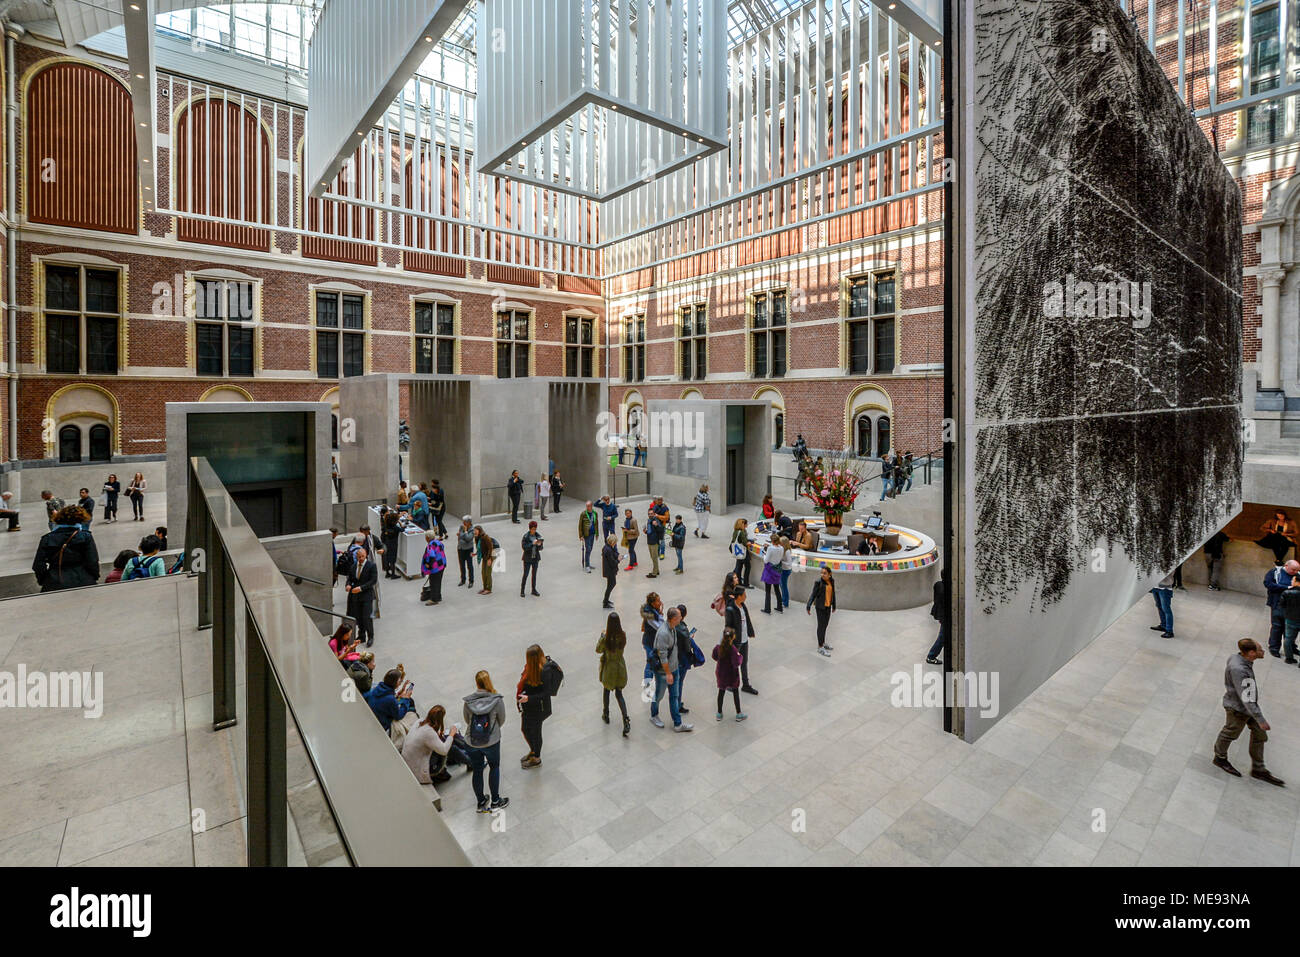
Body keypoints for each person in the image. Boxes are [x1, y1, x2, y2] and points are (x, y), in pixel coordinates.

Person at [1212, 639, 1284, 785]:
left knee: (1260, 735)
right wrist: (1261, 719)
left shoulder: (1237, 658)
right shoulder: (1240, 670)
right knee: (1230, 732)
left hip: (1247, 708)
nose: (1263, 651)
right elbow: (1248, 698)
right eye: (1259, 649)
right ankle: (1220, 758)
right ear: (1251, 653)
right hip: (1238, 709)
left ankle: (1258, 769)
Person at [463, 671, 509, 812]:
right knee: (494, 767)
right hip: (491, 742)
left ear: (476, 683)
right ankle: (495, 801)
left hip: (471, 742)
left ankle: (481, 802)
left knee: (477, 770)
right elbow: (502, 720)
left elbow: (466, 720)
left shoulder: (468, 702)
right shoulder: (497, 700)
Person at [33, 505, 99, 591]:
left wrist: (45, 580)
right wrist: (93, 577)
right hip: (83, 579)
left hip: (54, 581)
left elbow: (38, 564)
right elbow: (92, 560)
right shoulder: (85, 536)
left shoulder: (47, 538)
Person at [650, 606, 692, 732]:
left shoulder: (673, 628)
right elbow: (662, 657)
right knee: (659, 694)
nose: (681, 619)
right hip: (664, 672)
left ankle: (677, 724)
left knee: (674, 696)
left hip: (674, 668)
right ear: (673, 619)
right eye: (679, 617)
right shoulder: (663, 633)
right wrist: (668, 673)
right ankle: (654, 715)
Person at [403, 705, 468, 786]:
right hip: (421, 770)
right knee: (451, 747)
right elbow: (444, 750)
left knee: (448, 738)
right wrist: (451, 734)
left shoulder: (419, 722)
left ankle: (466, 751)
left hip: (413, 762)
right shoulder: (428, 732)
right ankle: (471, 762)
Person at [516, 645, 553, 769]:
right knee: (525, 729)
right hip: (528, 707)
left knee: (536, 733)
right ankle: (533, 750)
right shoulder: (530, 668)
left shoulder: (544, 671)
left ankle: (536, 758)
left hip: (538, 708)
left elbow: (546, 693)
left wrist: (529, 698)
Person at [597, 612, 631, 735]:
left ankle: (606, 713)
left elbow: (598, 650)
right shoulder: (623, 635)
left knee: (606, 690)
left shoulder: (606, 638)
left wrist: (602, 636)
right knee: (619, 694)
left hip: (609, 668)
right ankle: (626, 719)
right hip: (620, 666)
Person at [725, 586, 758, 695]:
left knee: (744, 662)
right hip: (736, 641)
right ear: (738, 596)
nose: (746, 597)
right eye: (744, 595)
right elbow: (728, 627)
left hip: (744, 640)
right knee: (733, 663)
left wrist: (750, 632)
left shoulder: (743, 605)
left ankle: (746, 685)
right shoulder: (730, 609)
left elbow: (747, 619)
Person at [1265, 560, 1300, 657]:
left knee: (1290, 629)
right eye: (1293, 570)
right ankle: (1274, 648)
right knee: (1277, 627)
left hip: (1292, 607)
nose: (1295, 572)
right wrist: (1287, 588)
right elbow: (1268, 584)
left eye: (1297, 570)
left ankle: (1290, 647)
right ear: (1286, 566)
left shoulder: (1297, 574)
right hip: (1277, 604)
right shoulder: (1275, 573)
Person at [346, 546, 379, 646]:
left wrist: (361, 588)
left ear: (366, 556)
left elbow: (373, 580)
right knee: (358, 616)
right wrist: (347, 584)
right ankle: (362, 635)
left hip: (366, 596)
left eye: (362, 556)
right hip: (356, 596)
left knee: (366, 617)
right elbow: (350, 578)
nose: (360, 558)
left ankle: (371, 636)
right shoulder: (354, 565)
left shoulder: (371, 566)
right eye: (359, 557)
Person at [365, 669, 415, 733]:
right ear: (395, 682)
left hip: (372, 716)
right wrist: (406, 699)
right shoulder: (391, 699)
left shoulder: (377, 687)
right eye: (400, 681)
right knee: (410, 705)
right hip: (382, 724)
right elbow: (398, 715)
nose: (400, 683)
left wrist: (397, 695)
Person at [713, 627, 747, 722]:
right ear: (733, 637)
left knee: (721, 691)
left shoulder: (718, 647)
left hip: (721, 673)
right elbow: (736, 663)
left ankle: (719, 713)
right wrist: (740, 657)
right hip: (732, 675)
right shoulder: (733, 649)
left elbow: (714, 656)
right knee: (735, 693)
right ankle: (738, 713)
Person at [806, 567, 837, 657]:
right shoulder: (818, 582)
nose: (822, 575)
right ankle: (820, 647)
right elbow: (813, 594)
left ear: (829, 574)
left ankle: (823, 643)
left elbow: (833, 594)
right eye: (821, 573)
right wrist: (808, 605)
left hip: (828, 607)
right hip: (820, 607)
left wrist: (834, 605)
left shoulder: (832, 581)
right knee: (821, 626)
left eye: (824, 573)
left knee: (825, 625)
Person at [674, 604, 696, 714]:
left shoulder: (672, 624)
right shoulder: (683, 629)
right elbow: (687, 648)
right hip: (681, 659)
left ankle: (676, 703)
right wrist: (689, 638)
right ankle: (677, 705)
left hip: (674, 657)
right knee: (679, 683)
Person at [640, 592, 665, 686]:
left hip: (653, 641)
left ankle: (652, 679)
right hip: (650, 642)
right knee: (650, 662)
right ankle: (647, 682)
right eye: (658, 601)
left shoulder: (653, 611)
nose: (660, 602)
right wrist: (661, 615)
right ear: (652, 603)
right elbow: (660, 626)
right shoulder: (650, 615)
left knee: (653, 661)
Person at [926, 569, 949, 665]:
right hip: (945, 616)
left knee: (943, 635)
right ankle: (931, 656)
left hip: (939, 614)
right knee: (942, 637)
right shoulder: (946, 590)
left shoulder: (938, 584)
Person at [419, 530, 447, 605]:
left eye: (425, 537)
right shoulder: (438, 542)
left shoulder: (430, 545)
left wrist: (428, 564)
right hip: (442, 564)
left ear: (428, 538)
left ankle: (434, 599)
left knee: (433, 582)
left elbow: (431, 556)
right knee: (438, 581)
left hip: (436, 567)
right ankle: (438, 596)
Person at [760, 535, 785, 614]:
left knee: (768, 591)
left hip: (769, 570)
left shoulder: (770, 548)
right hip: (777, 570)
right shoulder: (781, 548)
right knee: (777, 589)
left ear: (772, 541)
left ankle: (767, 609)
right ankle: (780, 607)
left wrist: (764, 553)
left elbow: (766, 560)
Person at [520, 520, 543, 597]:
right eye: (532, 529)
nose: (534, 530)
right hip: (527, 558)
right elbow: (524, 547)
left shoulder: (538, 536)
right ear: (530, 529)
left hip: (535, 558)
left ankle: (533, 589)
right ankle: (522, 590)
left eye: (535, 529)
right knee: (526, 574)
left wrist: (539, 545)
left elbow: (541, 548)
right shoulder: (526, 536)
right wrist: (531, 544)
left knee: (534, 575)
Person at [1281, 572, 1300, 664]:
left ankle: (1289, 658)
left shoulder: (1287, 592)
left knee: (1288, 638)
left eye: (1293, 580)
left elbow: (1282, 605)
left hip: (1290, 619)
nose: (1291, 581)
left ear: (1297, 582)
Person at [1150, 570, 1175, 639]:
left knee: (1166, 609)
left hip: (1165, 587)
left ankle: (1169, 631)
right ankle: (1163, 625)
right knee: (1159, 606)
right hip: (1155, 586)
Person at [579, 501, 600, 573]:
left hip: (592, 534)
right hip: (586, 535)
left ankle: (588, 563)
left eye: (588, 506)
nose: (587, 507)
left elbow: (596, 523)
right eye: (586, 506)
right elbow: (580, 525)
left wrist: (597, 534)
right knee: (588, 549)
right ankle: (587, 565)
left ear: (591, 506)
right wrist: (581, 535)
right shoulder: (583, 514)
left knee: (590, 549)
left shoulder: (595, 513)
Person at [731, 518, 752, 588]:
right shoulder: (742, 532)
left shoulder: (735, 531)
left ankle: (739, 581)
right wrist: (749, 543)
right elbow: (745, 543)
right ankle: (746, 583)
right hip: (743, 553)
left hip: (737, 553)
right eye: (746, 524)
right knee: (748, 567)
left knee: (739, 567)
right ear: (743, 524)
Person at [380, 510, 402, 579]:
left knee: (387, 558)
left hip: (386, 543)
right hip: (393, 545)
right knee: (393, 560)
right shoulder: (396, 528)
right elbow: (402, 529)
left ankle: (387, 573)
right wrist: (400, 523)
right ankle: (393, 574)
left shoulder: (385, 526)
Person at [475, 526, 496, 596]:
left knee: (488, 573)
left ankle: (489, 589)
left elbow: (491, 548)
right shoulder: (477, 538)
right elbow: (479, 548)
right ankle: (484, 588)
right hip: (484, 557)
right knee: (483, 573)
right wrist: (475, 554)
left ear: (480, 531)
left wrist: (490, 559)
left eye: (476, 530)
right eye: (474, 530)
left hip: (489, 556)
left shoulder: (485, 537)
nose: (475, 532)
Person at [456, 516, 476, 588]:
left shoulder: (472, 529)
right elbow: (459, 537)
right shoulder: (461, 527)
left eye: (464, 522)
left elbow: (468, 538)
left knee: (469, 565)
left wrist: (464, 532)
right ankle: (463, 580)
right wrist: (463, 534)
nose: (463, 523)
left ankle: (471, 581)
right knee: (462, 565)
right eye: (463, 521)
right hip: (460, 548)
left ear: (469, 522)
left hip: (468, 549)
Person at [601, 534, 620, 609]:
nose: (615, 544)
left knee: (610, 585)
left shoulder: (607, 547)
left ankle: (606, 600)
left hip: (608, 570)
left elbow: (614, 554)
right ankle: (605, 602)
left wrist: (617, 556)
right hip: (610, 571)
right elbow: (612, 563)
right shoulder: (608, 550)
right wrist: (618, 560)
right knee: (611, 585)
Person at [778, 535, 794, 607]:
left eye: (780, 543)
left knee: (784, 586)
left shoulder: (787, 552)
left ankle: (786, 602)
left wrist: (780, 562)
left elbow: (789, 564)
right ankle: (783, 599)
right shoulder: (783, 550)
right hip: (783, 570)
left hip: (786, 571)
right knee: (781, 585)